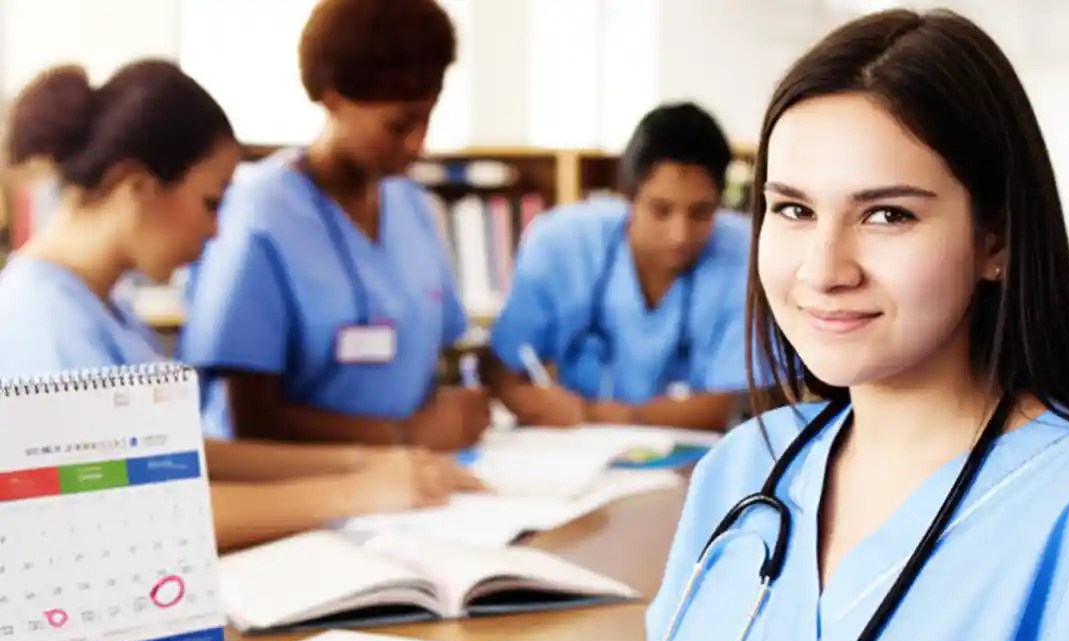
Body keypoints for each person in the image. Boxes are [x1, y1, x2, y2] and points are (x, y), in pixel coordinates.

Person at [644, 10, 1069, 641]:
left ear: (997, 241)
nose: (824, 269)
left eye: (887, 215)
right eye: (794, 209)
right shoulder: (744, 470)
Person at [0, 60, 478, 553]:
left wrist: (360, 461)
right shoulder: (43, 322)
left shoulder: (103, 308)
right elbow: (126, 514)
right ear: (135, 187)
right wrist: (352, 491)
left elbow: (177, 455)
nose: (216, 231)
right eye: (211, 203)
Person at [178, 0, 488, 450]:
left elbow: (444, 349)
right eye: (398, 126)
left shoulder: (414, 208)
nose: (419, 144)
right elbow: (252, 421)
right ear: (333, 97)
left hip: (408, 486)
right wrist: (403, 437)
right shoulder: (260, 214)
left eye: (427, 117)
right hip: (292, 493)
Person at [485, 103, 751, 432]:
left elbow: (730, 405)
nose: (679, 235)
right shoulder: (562, 243)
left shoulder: (745, 254)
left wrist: (592, 414)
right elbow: (504, 368)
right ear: (627, 195)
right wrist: (529, 400)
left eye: (701, 212)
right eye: (660, 209)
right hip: (573, 453)